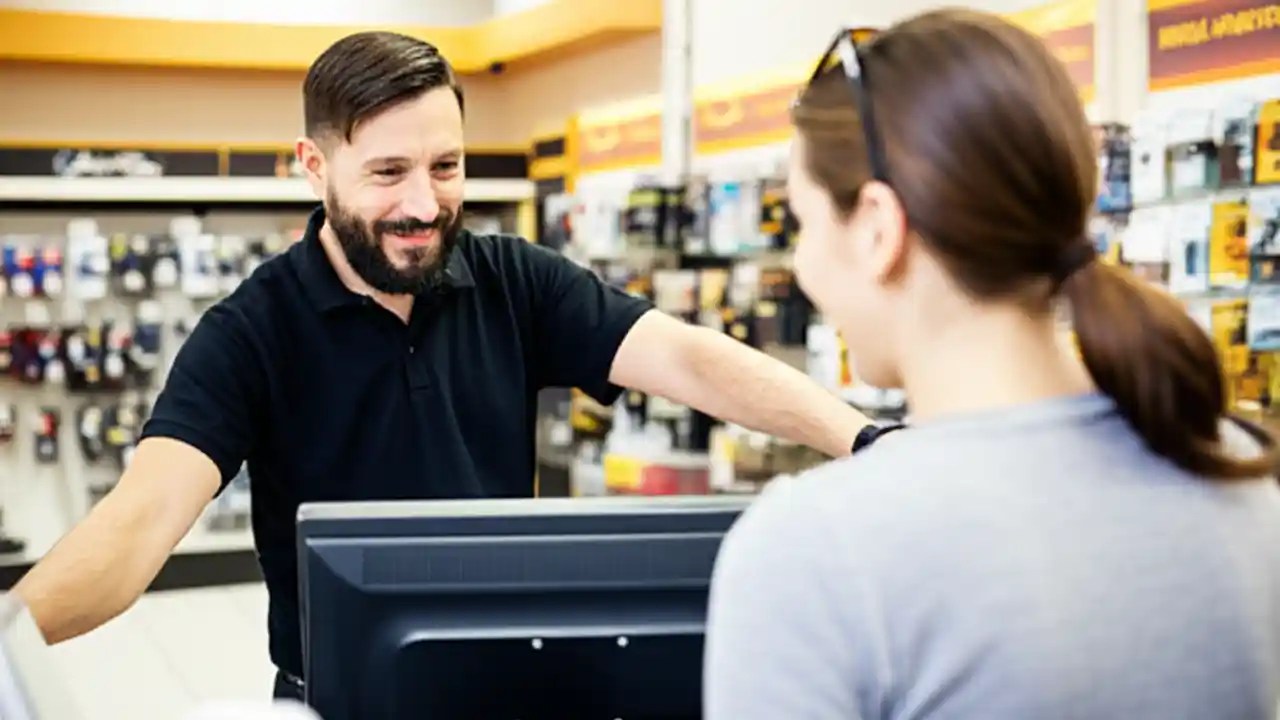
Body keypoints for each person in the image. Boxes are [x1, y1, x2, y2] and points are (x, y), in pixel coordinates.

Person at [11, 32, 877, 701]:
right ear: (314, 167)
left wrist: (864, 438)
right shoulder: (250, 333)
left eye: (446, 167)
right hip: (337, 700)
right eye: (387, 172)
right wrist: (6, 641)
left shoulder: (514, 278)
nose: (424, 204)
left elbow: (691, 359)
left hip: (515, 683)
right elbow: (135, 528)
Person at [703, 9, 1280, 720]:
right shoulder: (1233, 468)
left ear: (880, 229)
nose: (803, 264)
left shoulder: (818, 551)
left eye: (805, 223)